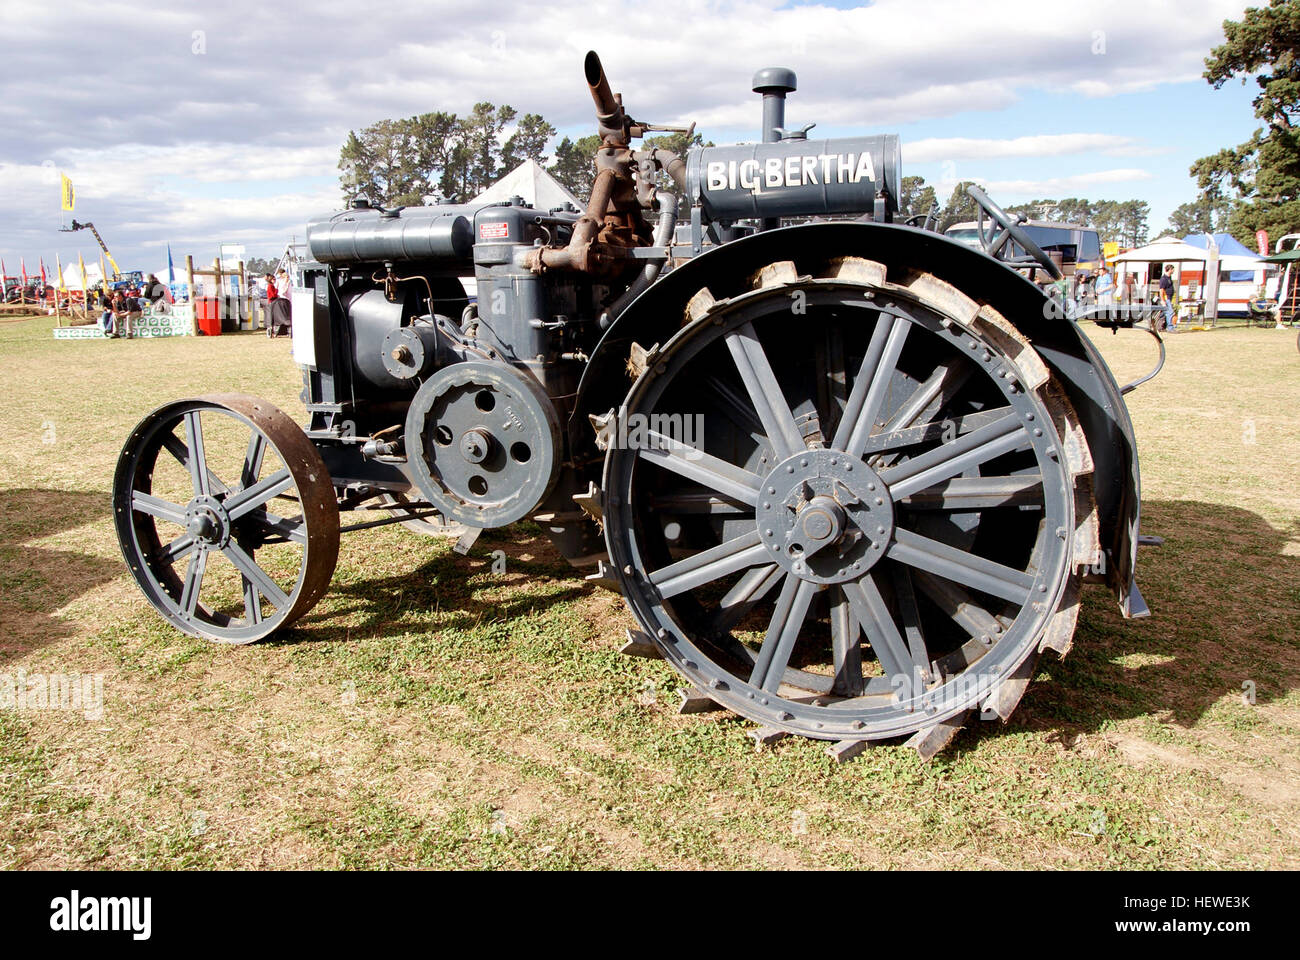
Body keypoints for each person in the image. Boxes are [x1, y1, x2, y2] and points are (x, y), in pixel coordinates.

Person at [268, 269, 292, 338]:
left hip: (284, 300)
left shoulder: (287, 282)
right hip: (280, 300)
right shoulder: (278, 283)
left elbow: (282, 291)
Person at [1159, 264, 1177, 331]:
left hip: (1169, 298)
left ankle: (1161, 326)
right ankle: (1170, 328)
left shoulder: (1169, 278)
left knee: (1164, 313)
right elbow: (1161, 290)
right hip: (1166, 298)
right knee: (1170, 312)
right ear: (1169, 270)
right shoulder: (1163, 279)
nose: (1173, 270)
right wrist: (1163, 300)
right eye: (1172, 269)